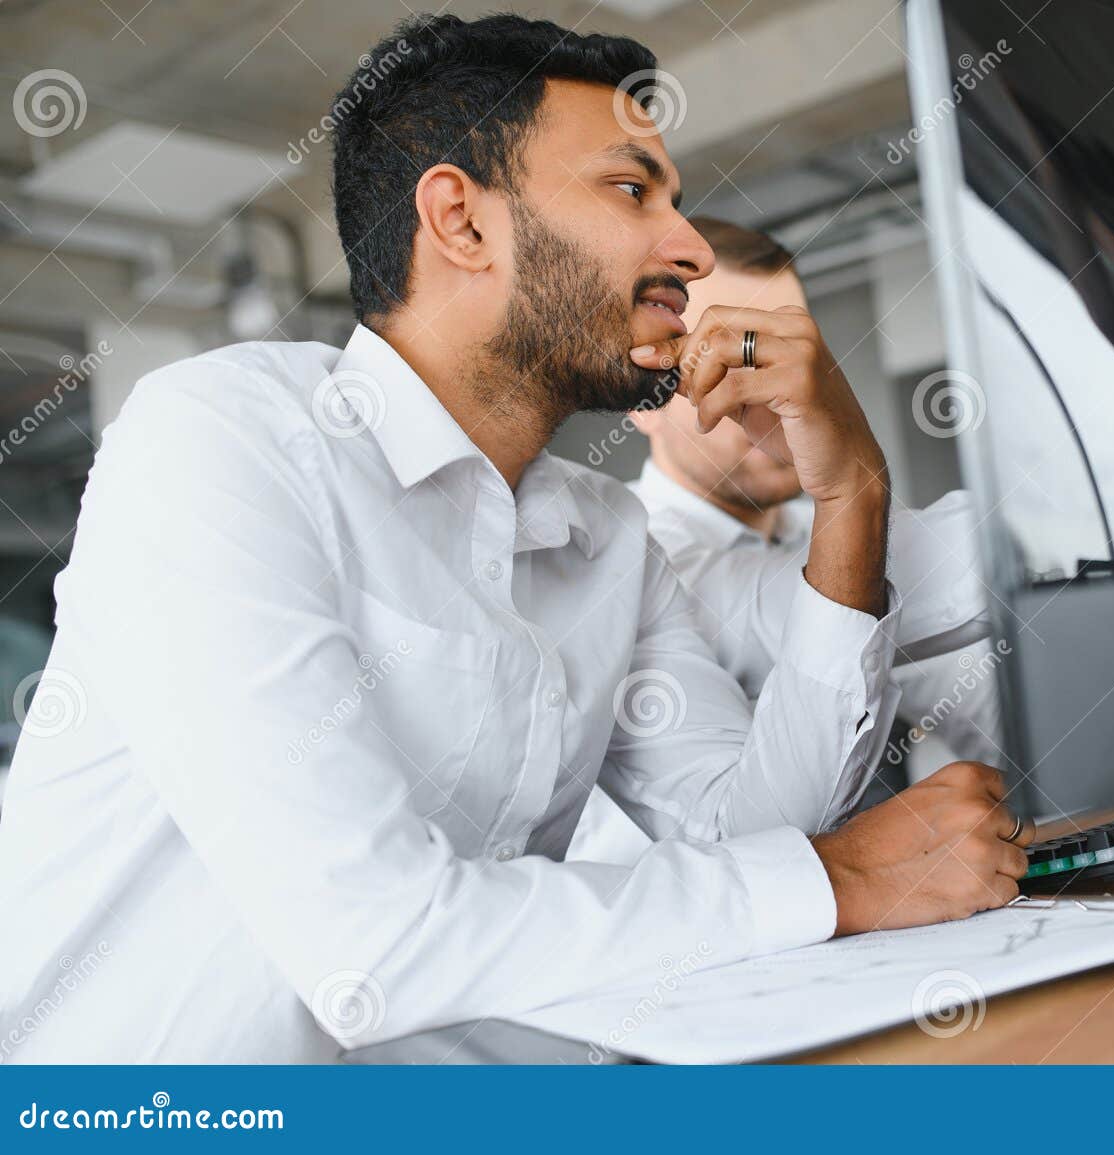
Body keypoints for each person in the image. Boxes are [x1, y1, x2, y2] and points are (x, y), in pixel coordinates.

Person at [0, 14, 1031, 1063]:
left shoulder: (603, 536)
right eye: (633, 192)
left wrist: (852, 496)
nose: (689, 247)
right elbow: (378, 947)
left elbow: (748, 841)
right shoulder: (224, 441)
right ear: (461, 221)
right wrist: (838, 880)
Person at [571, 220, 1002, 865]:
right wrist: (857, 487)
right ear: (646, 399)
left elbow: (985, 694)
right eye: (730, 357)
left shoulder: (824, 531)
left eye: (787, 353)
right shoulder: (628, 564)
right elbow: (970, 562)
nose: (778, 391)